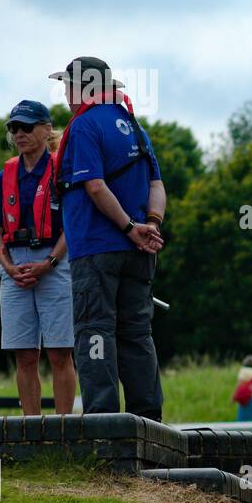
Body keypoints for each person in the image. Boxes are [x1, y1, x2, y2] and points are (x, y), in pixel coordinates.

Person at [52, 56, 166, 420]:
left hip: (98, 248)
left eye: (68, 85)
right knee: (136, 333)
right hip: (139, 251)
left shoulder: (84, 126)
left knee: (95, 331)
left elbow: (95, 186)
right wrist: (150, 225)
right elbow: (156, 185)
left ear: (82, 88)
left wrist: (128, 228)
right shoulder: (134, 126)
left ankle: (103, 424)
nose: (65, 93)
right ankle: (149, 422)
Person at [0, 100, 76, 416]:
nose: (19, 133)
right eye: (13, 128)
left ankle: (64, 429)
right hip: (15, 265)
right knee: (24, 354)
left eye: (26, 126)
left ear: (47, 129)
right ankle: (32, 430)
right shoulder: (3, 176)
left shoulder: (62, 171)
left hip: (54, 261)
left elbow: (72, 226)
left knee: (60, 352)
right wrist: (8, 268)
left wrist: (48, 263)